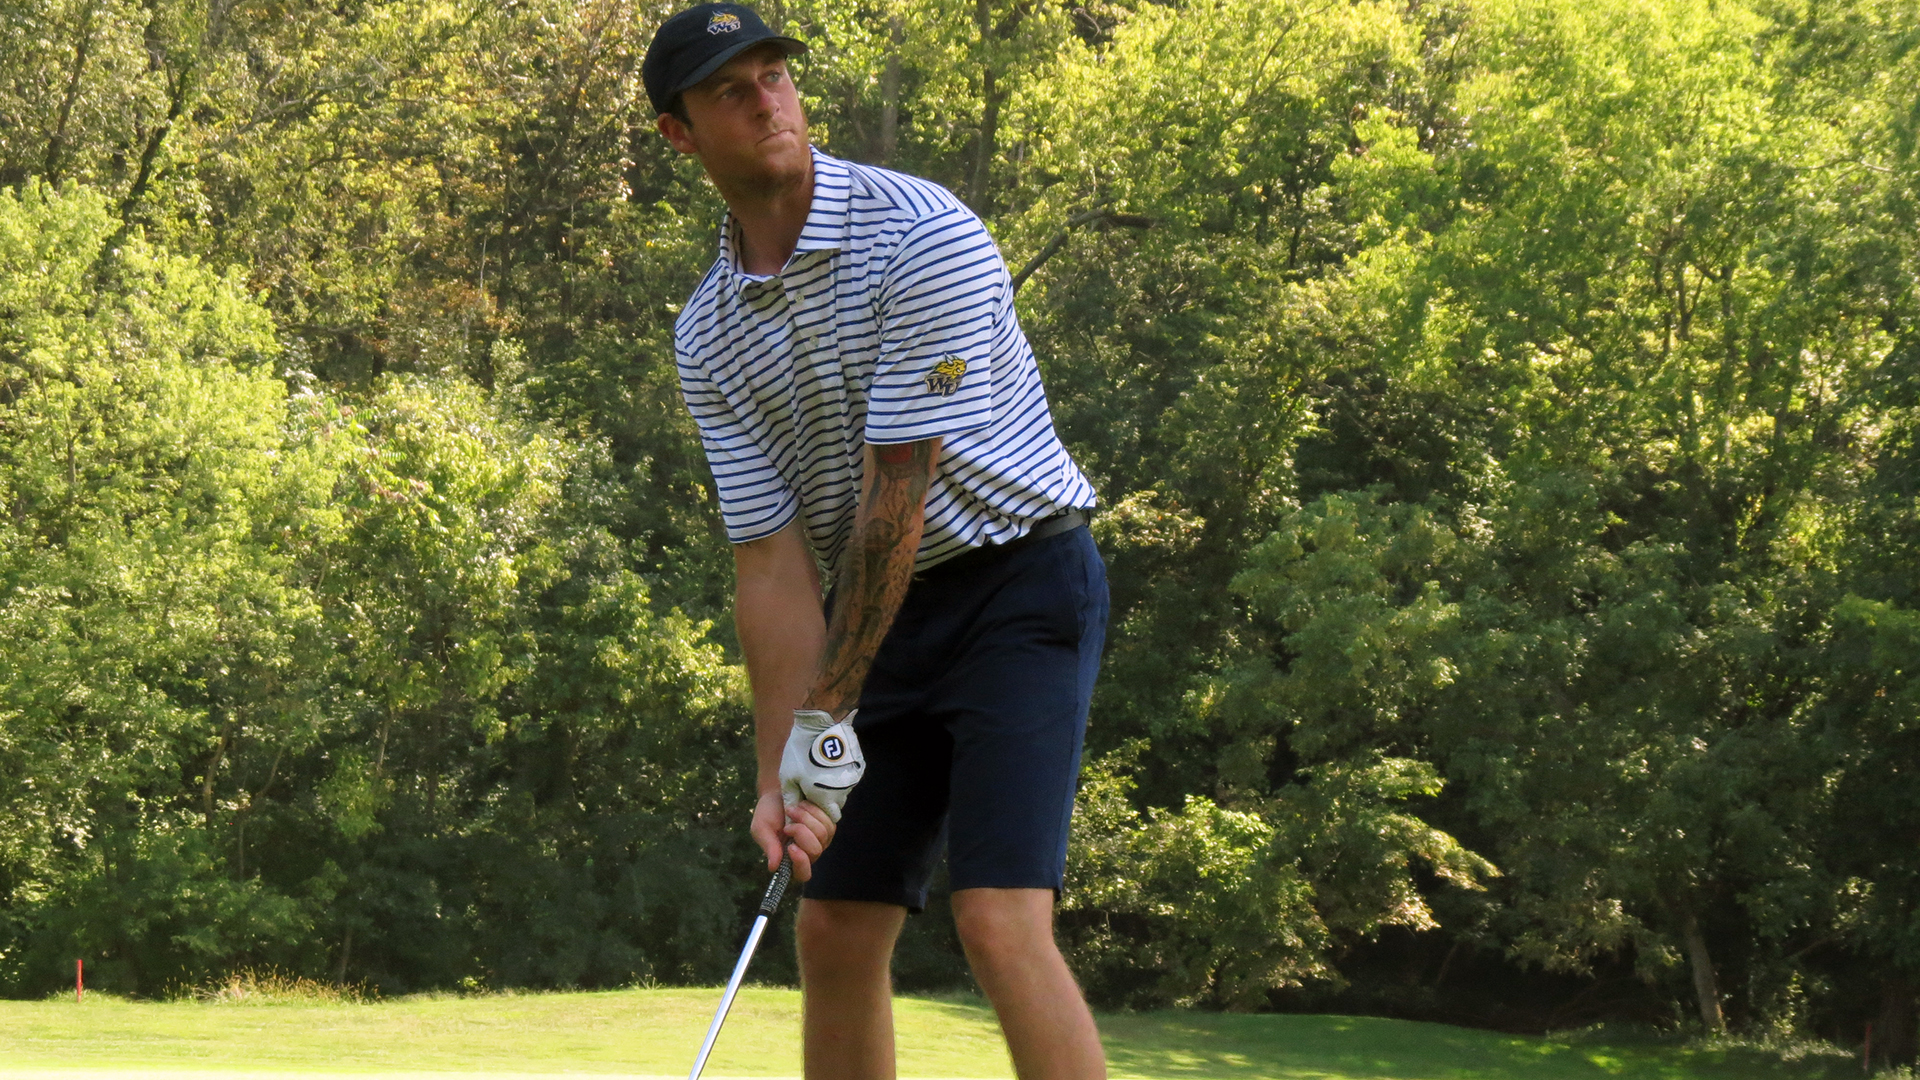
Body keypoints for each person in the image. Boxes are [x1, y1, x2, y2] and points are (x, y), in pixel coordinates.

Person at [644, 5, 1109, 1077]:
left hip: (1015, 587)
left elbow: (896, 498)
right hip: (871, 616)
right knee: (834, 925)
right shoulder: (708, 330)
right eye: (730, 90)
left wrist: (824, 724)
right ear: (681, 135)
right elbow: (768, 563)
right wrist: (781, 782)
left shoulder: (922, 233)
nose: (767, 99)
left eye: (775, 75)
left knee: (997, 920)